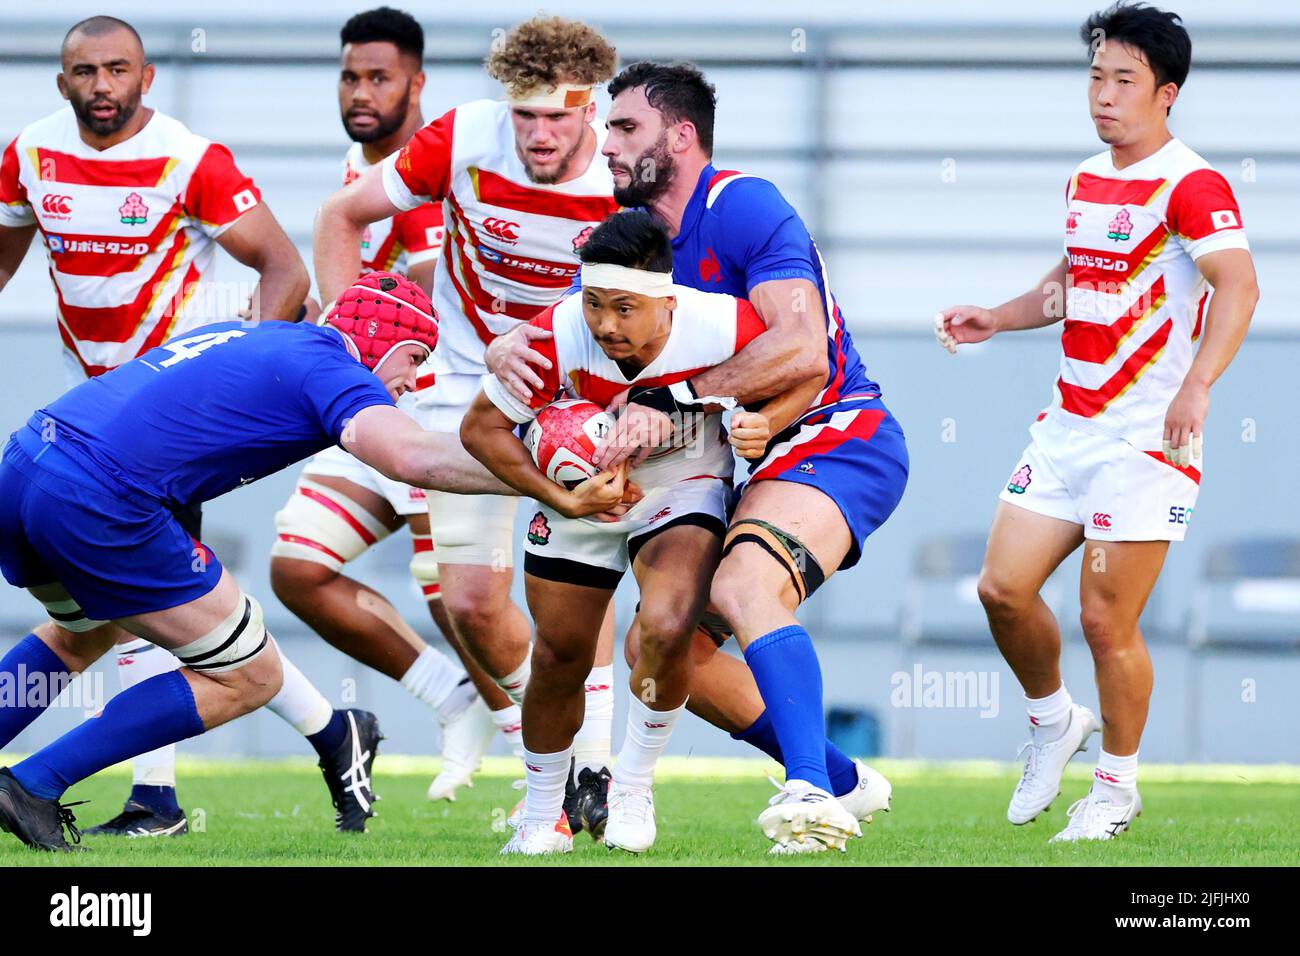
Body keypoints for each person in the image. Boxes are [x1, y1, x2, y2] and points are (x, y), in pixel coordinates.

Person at [0, 272, 623, 852]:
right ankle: (33, 783)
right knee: (250, 677)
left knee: (80, 633)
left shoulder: (262, 333)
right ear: (382, 336)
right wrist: (542, 480)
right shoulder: (334, 368)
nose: (413, 383)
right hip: (97, 496)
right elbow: (411, 458)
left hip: (27, 460)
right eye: (414, 361)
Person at [489, 62, 908, 853]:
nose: (602, 144)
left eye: (622, 128)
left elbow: (802, 345)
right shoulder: (633, 241)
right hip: (731, 453)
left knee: (744, 583)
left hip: (833, 433)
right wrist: (503, 347)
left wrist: (674, 404)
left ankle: (811, 797)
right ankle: (844, 776)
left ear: (680, 137)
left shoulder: (742, 205)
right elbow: (567, 324)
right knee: (664, 643)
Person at [0, 15, 373, 838]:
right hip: (78, 422)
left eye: (119, 69)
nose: (103, 87)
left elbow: (285, 268)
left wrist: (238, 374)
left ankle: (156, 799)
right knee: (127, 621)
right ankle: (329, 730)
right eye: (86, 72)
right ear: (61, 81)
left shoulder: (187, 159)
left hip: (158, 433)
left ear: (146, 77)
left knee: (115, 620)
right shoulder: (27, 153)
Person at [935, 2, 1258, 842]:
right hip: (1068, 427)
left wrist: (1199, 385)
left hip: (1147, 442)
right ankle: (1053, 721)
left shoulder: (1193, 183)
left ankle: (1115, 787)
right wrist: (999, 318)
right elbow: (1075, 280)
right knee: (1001, 590)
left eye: (1123, 80)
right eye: (1096, 76)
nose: (1104, 94)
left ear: (1167, 92)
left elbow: (1241, 287)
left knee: (1104, 620)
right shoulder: (1084, 176)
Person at [311, 15, 626, 836]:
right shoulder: (460, 139)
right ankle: (563, 760)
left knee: (582, 595)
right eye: (525, 116)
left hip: (584, 391)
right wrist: (347, 361)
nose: (540, 134)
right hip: (462, 381)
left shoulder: (628, 172)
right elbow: (340, 217)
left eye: (558, 116)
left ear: (590, 107)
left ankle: (590, 778)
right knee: (473, 603)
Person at [266, 6, 518, 806]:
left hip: (440, 404)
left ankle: (548, 763)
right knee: (299, 569)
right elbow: (362, 301)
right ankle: (456, 701)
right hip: (367, 402)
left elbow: (435, 295)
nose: (361, 91)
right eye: (350, 76)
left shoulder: (446, 168)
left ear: (417, 83)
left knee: (454, 587)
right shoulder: (356, 169)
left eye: (379, 77)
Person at [464, 210, 764, 855]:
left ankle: (630, 784)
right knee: (557, 657)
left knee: (664, 626)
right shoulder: (554, 335)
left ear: (666, 297)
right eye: (594, 303)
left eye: (624, 308)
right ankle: (543, 814)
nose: (605, 324)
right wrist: (560, 498)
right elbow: (479, 430)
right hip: (579, 493)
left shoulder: (722, 324)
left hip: (681, 482)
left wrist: (764, 423)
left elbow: (805, 367)